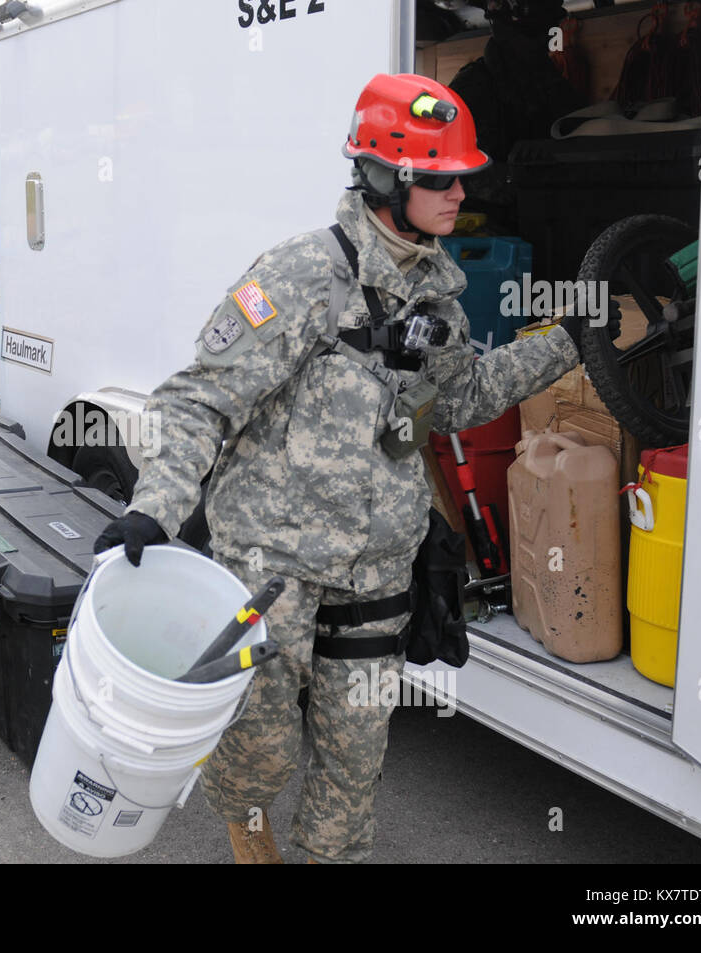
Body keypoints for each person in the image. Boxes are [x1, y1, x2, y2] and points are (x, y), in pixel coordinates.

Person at [94, 74, 594, 864]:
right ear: (384, 179)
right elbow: (198, 401)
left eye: (461, 174)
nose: (459, 190)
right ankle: (249, 840)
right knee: (258, 756)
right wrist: (155, 506)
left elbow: (463, 397)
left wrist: (574, 335)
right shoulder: (298, 277)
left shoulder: (442, 294)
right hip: (271, 573)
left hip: (377, 580)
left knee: (354, 764)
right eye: (438, 176)